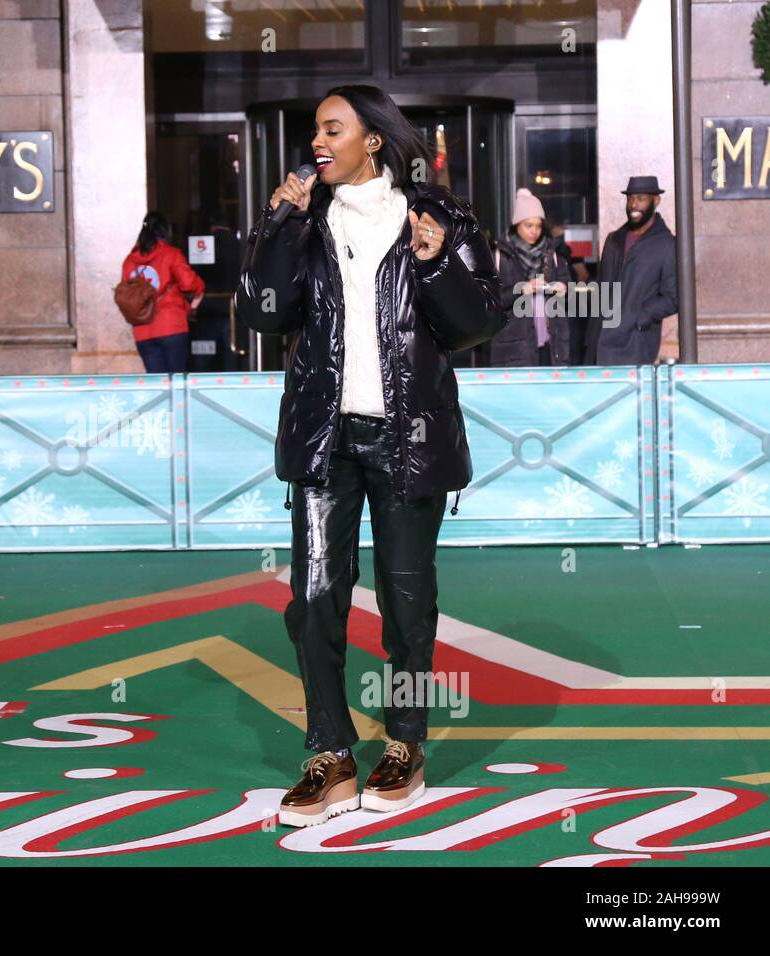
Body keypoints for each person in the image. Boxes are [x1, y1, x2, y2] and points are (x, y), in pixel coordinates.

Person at [234, 83, 505, 826]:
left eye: (332, 128)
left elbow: (480, 323)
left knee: (407, 603)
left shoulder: (438, 215)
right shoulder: (302, 218)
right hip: (325, 442)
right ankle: (329, 754)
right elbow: (260, 312)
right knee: (315, 599)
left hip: (408, 439)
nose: (316, 142)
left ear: (373, 141)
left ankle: (406, 743)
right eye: (315, 131)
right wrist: (277, 226)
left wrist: (440, 261)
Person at [586, 175, 677, 366]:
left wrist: (639, 317)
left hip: (634, 347)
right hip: (598, 346)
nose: (633, 204)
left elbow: (673, 298)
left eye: (641, 198)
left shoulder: (667, 245)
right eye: (630, 198)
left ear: (656, 200)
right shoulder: (613, 240)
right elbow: (602, 287)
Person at [491, 188, 573, 367]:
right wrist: (522, 289)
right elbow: (492, 299)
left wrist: (564, 289)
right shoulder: (500, 256)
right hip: (515, 348)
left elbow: (570, 289)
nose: (534, 231)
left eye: (538, 226)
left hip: (551, 345)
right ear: (516, 224)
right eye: (529, 225)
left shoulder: (552, 254)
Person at [121, 211, 205, 373]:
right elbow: (189, 284)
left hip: (143, 330)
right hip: (171, 326)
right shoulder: (170, 254)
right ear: (165, 231)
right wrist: (200, 288)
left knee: (158, 384)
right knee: (176, 381)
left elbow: (126, 293)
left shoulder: (130, 261)